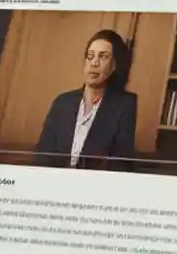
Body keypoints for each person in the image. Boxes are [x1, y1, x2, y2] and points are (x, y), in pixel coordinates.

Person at [34, 29, 137, 170]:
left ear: (114, 65)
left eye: (103, 57)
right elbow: (42, 156)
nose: (94, 63)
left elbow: (120, 163)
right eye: (90, 56)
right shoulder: (62, 103)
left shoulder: (125, 105)